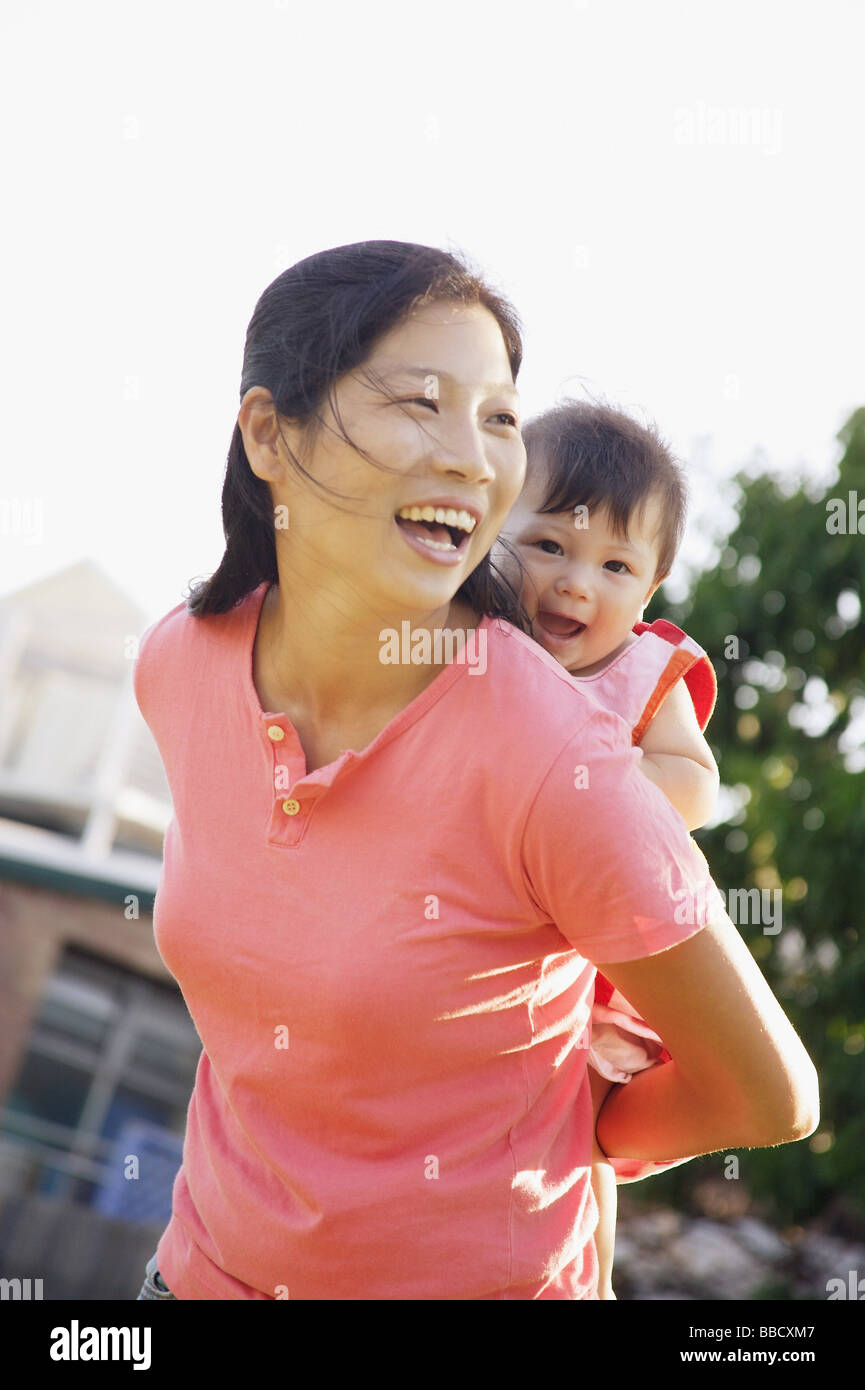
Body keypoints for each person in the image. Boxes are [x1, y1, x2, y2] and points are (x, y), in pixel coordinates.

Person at [132, 240, 818, 1301]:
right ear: (269, 433)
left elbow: (768, 1094)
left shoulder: (557, 754)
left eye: (497, 416)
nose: (468, 455)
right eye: (422, 401)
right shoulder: (182, 662)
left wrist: (576, 1135)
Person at [496, 399, 722, 1299]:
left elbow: (695, 784)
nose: (576, 584)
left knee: (580, 1132)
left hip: (609, 937)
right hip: (505, 929)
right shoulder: (476, 645)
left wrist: (593, 775)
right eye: (548, 545)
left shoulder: (639, 668)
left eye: (615, 564)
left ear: (650, 588)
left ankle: (585, 1285)